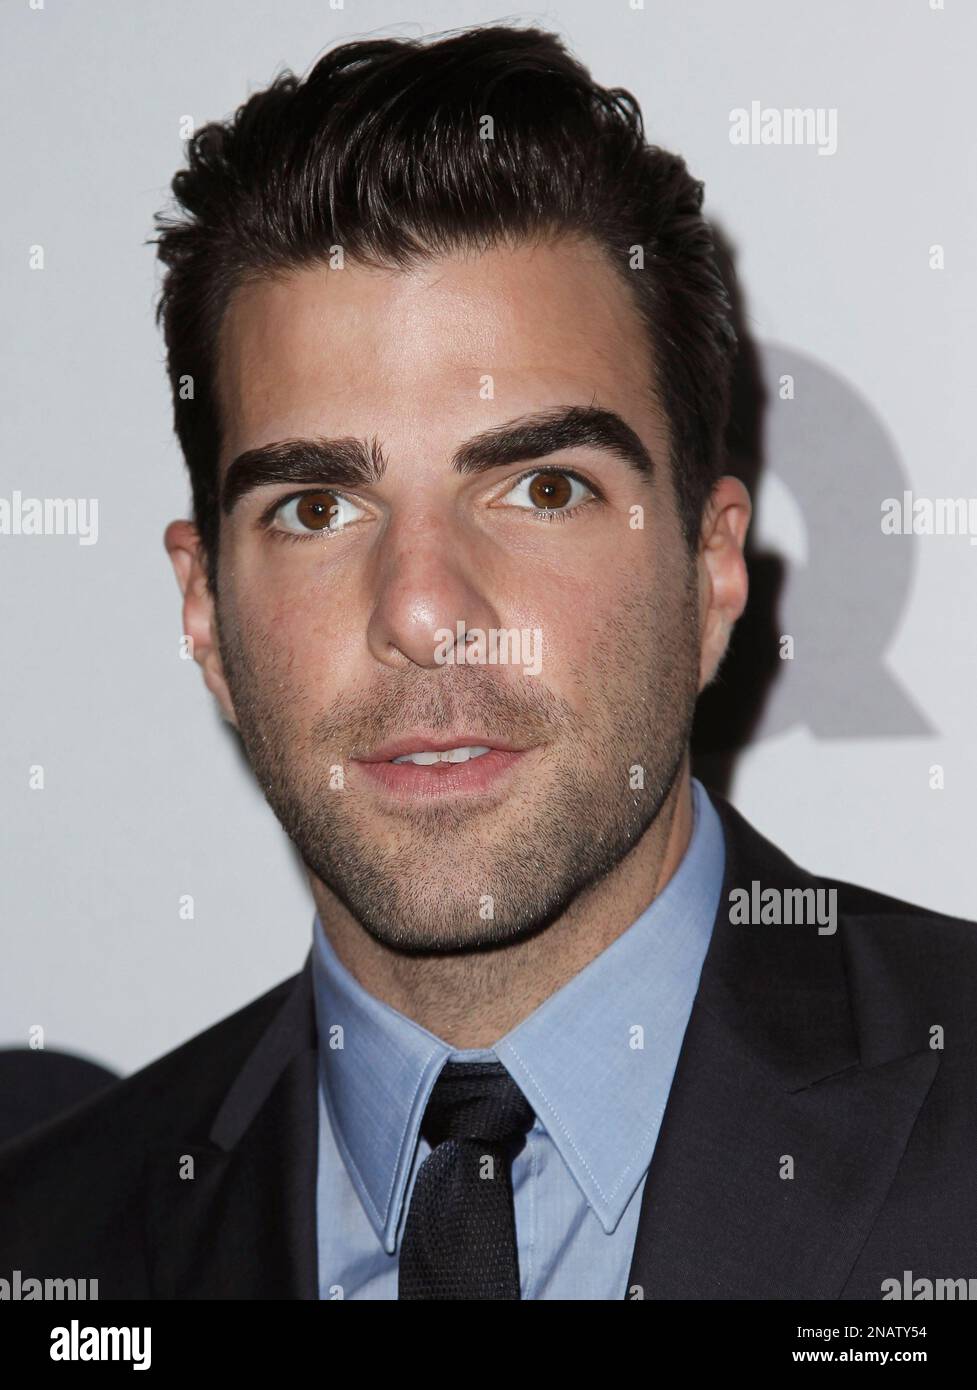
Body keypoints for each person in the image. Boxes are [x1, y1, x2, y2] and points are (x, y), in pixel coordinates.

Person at [1, 23, 974, 1302]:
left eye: (542, 487)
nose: (420, 610)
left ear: (712, 572)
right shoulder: (50, 1252)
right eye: (314, 507)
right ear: (203, 611)